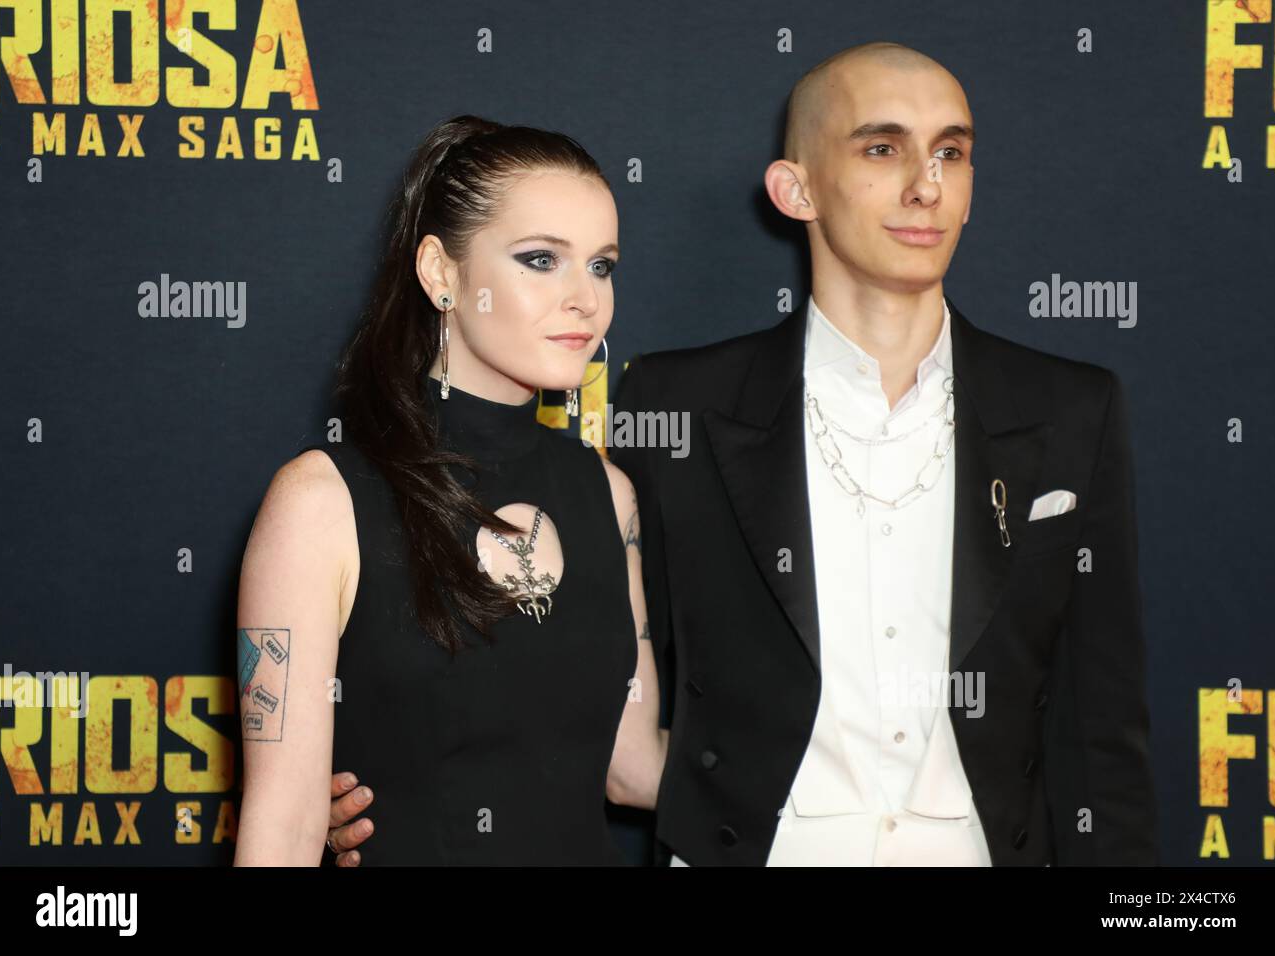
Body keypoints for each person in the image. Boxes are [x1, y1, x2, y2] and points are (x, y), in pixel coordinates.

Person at [330, 41, 1159, 867]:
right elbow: (576, 676)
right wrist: (386, 786)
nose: (926, 184)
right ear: (794, 189)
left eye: (951, 151)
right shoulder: (674, 408)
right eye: (882, 147)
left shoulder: (1070, 411)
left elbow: (1101, 735)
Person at [234, 116, 666, 866]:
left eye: (602, 266)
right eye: (541, 260)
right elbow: (284, 829)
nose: (586, 300)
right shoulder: (321, 503)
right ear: (440, 273)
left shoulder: (610, 494)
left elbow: (634, 769)